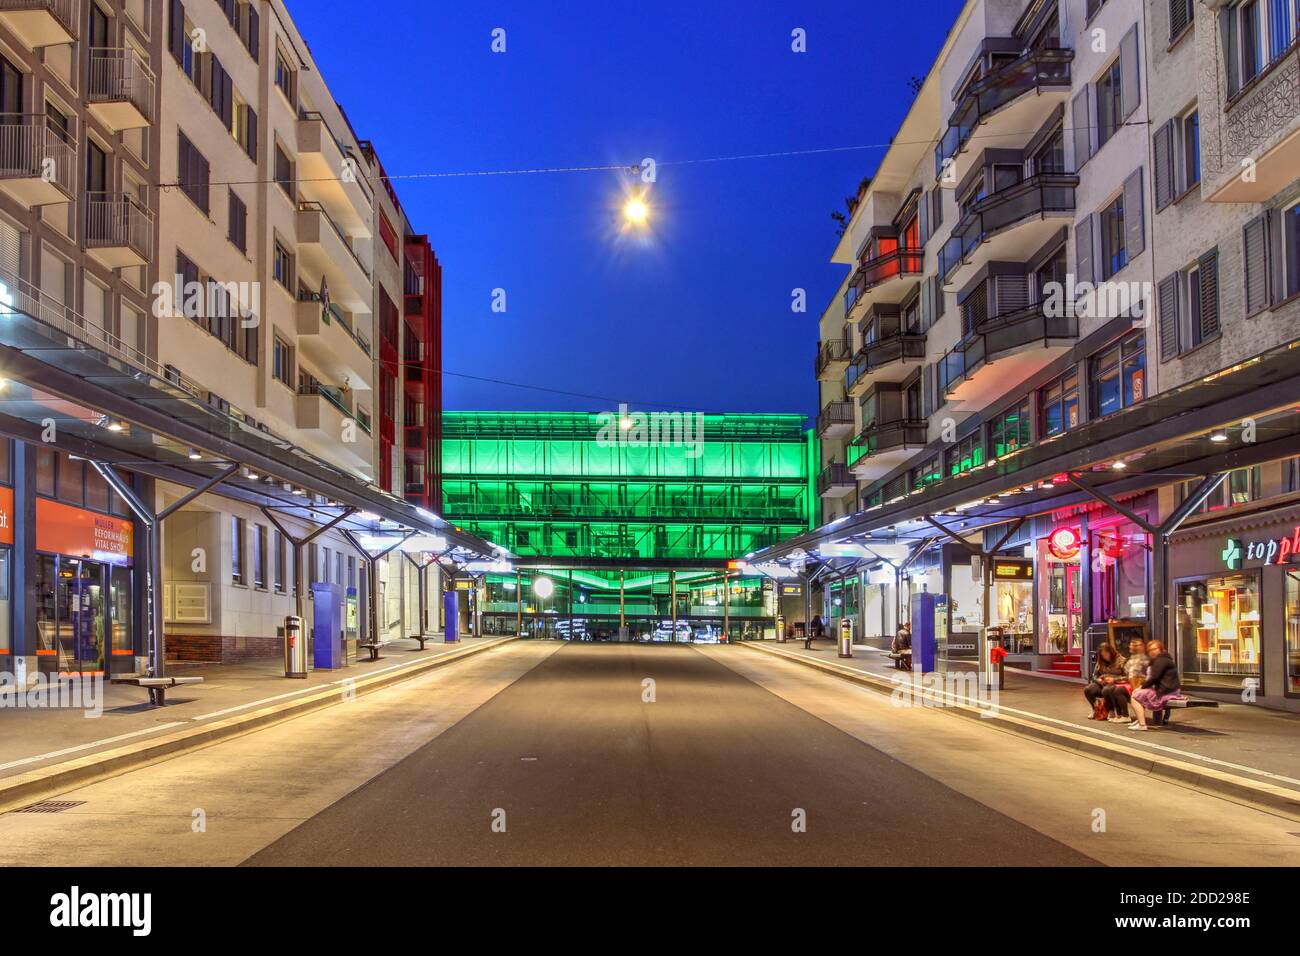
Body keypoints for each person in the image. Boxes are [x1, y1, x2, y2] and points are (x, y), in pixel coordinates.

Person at [1129, 640, 1183, 731]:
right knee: (1139, 693)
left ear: (1160, 649)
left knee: (1135, 696)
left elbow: (1154, 678)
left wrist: (1142, 687)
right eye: (1150, 650)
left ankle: (1142, 724)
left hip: (1166, 691)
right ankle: (1140, 720)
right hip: (1167, 689)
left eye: (1155, 649)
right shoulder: (1162, 659)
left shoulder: (1162, 660)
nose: (1152, 651)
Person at [1104, 636, 1149, 723]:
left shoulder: (1144, 660)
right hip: (1133, 685)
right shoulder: (1132, 659)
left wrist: (1115, 680)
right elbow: (1127, 676)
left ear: (1141, 647)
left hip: (1142, 687)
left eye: (1134, 645)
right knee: (1110, 689)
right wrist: (1115, 679)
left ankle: (1126, 716)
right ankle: (1119, 715)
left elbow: (1140, 677)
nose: (1130, 647)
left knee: (1118, 690)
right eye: (1131, 645)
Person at [1084, 643, 1126, 719]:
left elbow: (1127, 676)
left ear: (1111, 652)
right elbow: (1094, 675)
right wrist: (1098, 680)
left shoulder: (1121, 660)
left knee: (1106, 690)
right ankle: (1095, 709)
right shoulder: (1100, 661)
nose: (1105, 657)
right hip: (1102, 684)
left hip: (1115, 684)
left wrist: (1114, 679)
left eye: (1106, 654)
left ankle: (1111, 710)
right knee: (1088, 689)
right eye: (1103, 655)